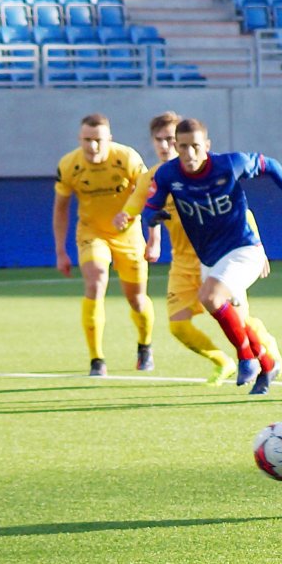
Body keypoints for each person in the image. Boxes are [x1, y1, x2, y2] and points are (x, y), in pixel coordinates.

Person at [114, 117, 282, 395]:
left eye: (195, 147)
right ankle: (268, 363)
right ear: (177, 146)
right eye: (184, 146)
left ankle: (245, 357)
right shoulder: (166, 175)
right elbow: (150, 206)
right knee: (231, 316)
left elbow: (269, 165)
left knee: (211, 297)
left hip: (242, 249)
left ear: (207, 146)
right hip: (209, 258)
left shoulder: (229, 164)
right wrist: (153, 219)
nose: (189, 154)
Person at [53, 113, 159, 377]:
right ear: (80, 139)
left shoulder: (127, 159)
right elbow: (61, 209)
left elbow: (152, 195)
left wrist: (154, 237)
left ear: (109, 139)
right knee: (96, 281)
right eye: (87, 140)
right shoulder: (69, 165)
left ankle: (145, 345)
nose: (93, 147)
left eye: (98, 140)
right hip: (92, 233)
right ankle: (96, 359)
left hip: (129, 235)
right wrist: (60, 250)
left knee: (136, 299)